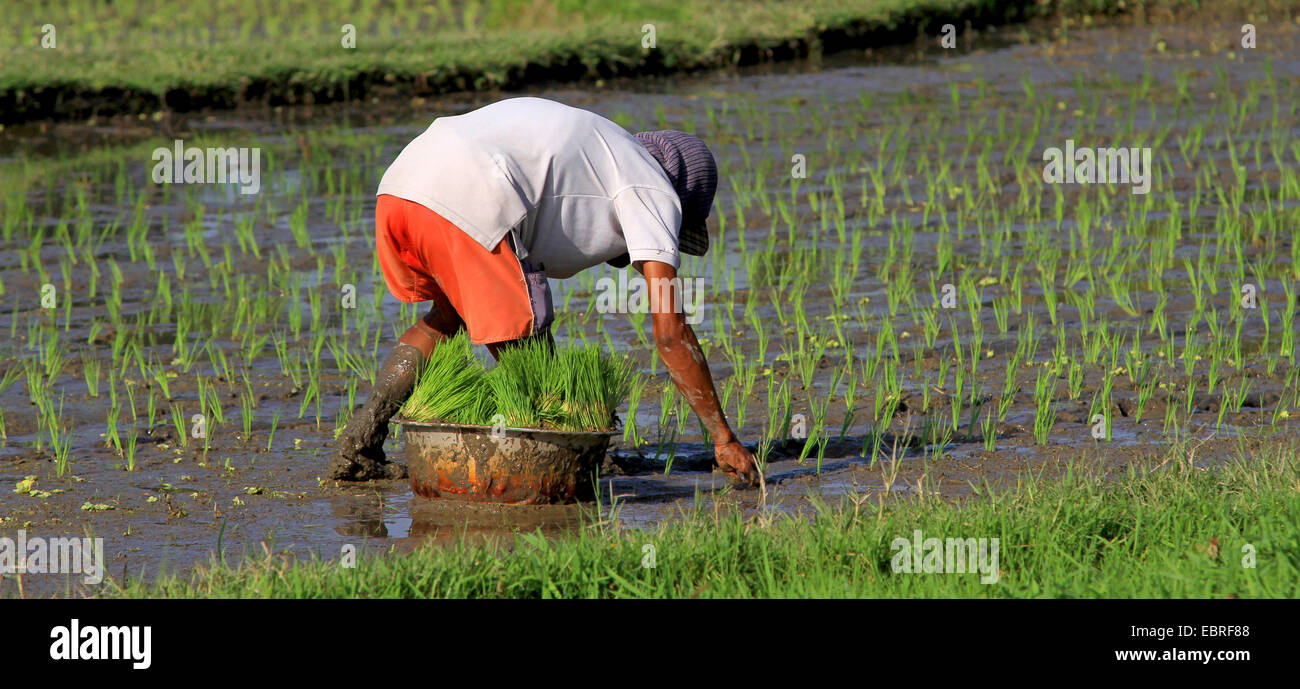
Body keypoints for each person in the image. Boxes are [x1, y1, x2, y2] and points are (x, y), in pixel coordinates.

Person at [329, 97, 758, 486]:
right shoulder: (652, 187)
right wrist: (723, 438)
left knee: (447, 316)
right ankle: (562, 463)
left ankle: (359, 444)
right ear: (680, 197)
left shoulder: (607, 151)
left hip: (402, 185)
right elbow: (670, 333)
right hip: (473, 192)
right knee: (534, 350)